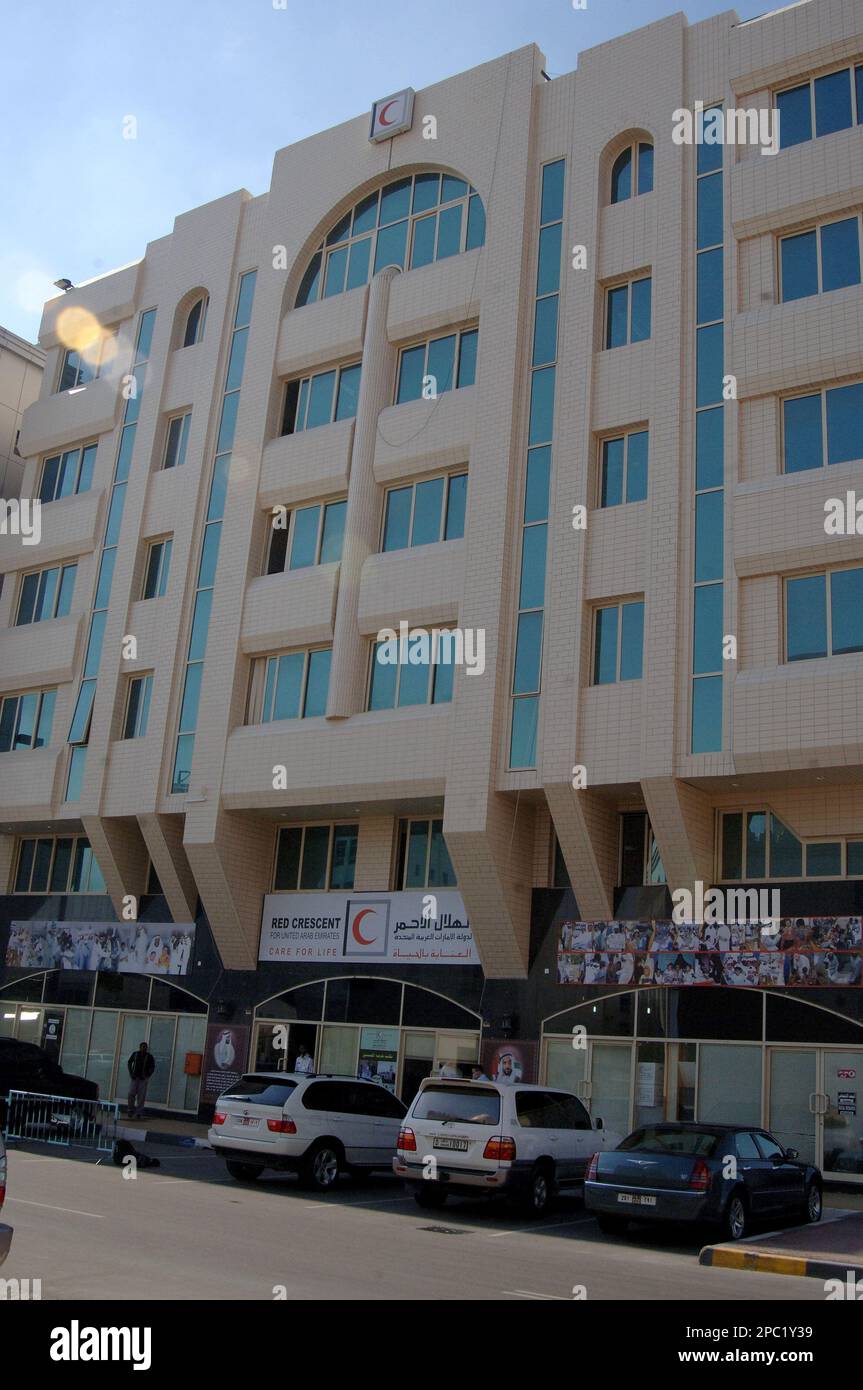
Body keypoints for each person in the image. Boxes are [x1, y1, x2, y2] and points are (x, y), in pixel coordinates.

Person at [127, 1041, 155, 1119]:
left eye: (145, 1047)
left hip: (143, 1079)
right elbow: (129, 1062)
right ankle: (130, 1109)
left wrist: (147, 1075)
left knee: (141, 1096)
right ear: (140, 1047)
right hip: (135, 1077)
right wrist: (131, 1073)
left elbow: (152, 1067)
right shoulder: (135, 1054)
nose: (144, 1048)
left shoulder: (149, 1057)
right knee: (131, 1094)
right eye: (142, 1047)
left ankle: (139, 1112)